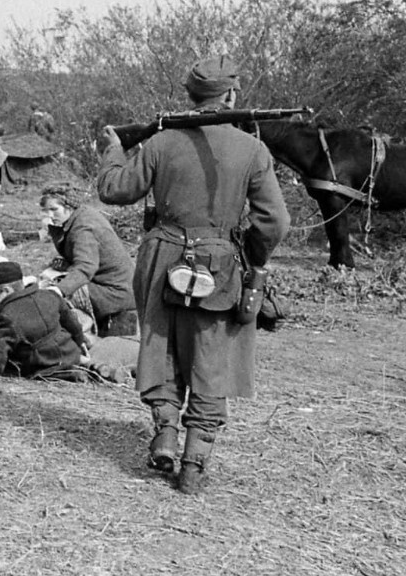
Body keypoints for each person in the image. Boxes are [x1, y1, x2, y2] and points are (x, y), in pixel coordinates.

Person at [97, 55, 290, 495]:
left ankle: (164, 433)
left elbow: (114, 189)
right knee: (210, 359)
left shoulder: (161, 142)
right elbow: (275, 223)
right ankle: (194, 464)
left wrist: (113, 148)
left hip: (161, 255)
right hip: (220, 263)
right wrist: (251, 258)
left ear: (189, 95)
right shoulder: (252, 150)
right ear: (233, 95)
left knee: (160, 345)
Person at [0, 261, 92, 385]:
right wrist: (80, 341)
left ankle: (73, 375)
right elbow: (72, 323)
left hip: (45, 364)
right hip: (70, 351)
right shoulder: (49, 295)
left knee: (17, 364)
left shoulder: (8, 315)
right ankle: (87, 364)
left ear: (7, 290)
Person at [37, 181, 138, 338]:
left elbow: (86, 268)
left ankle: (82, 338)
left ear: (69, 206)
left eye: (54, 209)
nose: (49, 215)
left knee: (53, 297)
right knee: (51, 282)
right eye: (45, 211)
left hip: (115, 291)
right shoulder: (78, 216)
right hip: (108, 283)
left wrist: (59, 290)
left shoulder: (83, 228)